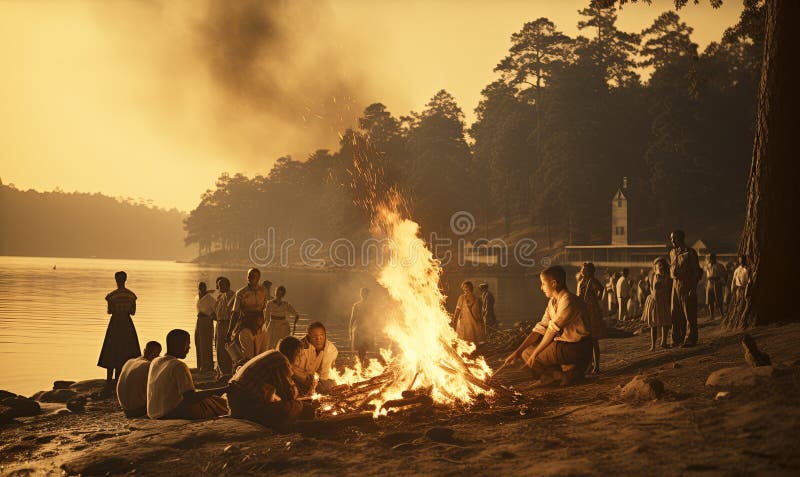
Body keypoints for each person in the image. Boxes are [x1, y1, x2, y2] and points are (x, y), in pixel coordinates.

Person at [503, 266, 592, 386]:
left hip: (576, 347)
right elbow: (540, 328)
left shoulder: (568, 300)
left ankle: (557, 376)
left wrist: (535, 354)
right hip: (564, 346)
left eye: (543, 283)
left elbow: (551, 331)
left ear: (554, 283)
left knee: (532, 355)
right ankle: (564, 374)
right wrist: (517, 352)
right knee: (526, 352)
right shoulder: (552, 302)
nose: (541, 287)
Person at [227, 336, 314, 431]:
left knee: (291, 404)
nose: (299, 359)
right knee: (298, 407)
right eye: (298, 354)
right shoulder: (281, 361)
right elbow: (289, 395)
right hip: (245, 406)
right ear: (290, 352)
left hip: (236, 402)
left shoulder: (272, 354)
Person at [146, 329, 228, 420]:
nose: (189, 348)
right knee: (212, 402)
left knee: (210, 398)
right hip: (170, 414)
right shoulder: (179, 365)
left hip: (153, 413)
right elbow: (190, 398)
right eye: (187, 344)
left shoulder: (155, 361)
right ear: (180, 345)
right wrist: (223, 389)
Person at [98, 271, 141, 391]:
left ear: (116, 280)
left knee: (111, 349)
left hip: (115, 323)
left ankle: (109, 381)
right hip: (127, 324)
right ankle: (120, 379)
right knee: (126, 350)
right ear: (125, 280)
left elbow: (110, 311)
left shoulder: (111, 296)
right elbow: (133, 312)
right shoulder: (132, 296)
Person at [669, 230, 702, 347]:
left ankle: (690, 338)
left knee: (689, 313)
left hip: (686, 284)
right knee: (675, 313)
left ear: (681, 238)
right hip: (675, 285)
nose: (672, 240)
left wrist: (693, 288)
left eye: (674, 238)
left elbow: (696, 272)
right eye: (671, 238)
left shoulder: (690, 253)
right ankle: (677, 338)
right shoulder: (672, 253)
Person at [576, 263, 607, 374]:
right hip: (583, 310)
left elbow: (601, 289)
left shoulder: (592, 280)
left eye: (585, 270)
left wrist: (597, 298)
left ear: (590, 271)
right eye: (582, 269)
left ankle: (596, 365)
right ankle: (589, 365)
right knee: (586, 340)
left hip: (591, 311)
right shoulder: (580, 281)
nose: (583, 271)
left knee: (593, 339)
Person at [117, 341, 161, 418]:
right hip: (138, 410)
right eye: (158, 355)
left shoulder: (129, 361)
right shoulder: (149, 366)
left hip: (125, 409)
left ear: (144, 351)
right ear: (156, 355)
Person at [292, 322, 339, 395]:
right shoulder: (299, 348)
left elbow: (323, 376)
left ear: (325, 335)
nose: (318, 339)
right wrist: (307, 380)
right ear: (308, 337)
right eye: (314, 337)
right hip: (298, 379)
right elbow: (294, 371)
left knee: (331, 385)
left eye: (321, 336)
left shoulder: (331, 350)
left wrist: (314, 384)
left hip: (315, 381)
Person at [227, 268, 267, 344]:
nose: (249, 278)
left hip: (260, 325)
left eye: (253, 276)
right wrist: (229, 331)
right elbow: (235, 313)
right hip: (246, 324)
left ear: (258, 278)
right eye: (249, 276)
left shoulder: (263, 291)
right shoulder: (241, 293)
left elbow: (265, 309)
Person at [642, 258, 672, 350]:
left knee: (665, 322)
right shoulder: (653, 276)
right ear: (655, 267)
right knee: (654, 324)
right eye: (659, 265)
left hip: (664, 301)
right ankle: (653, 345)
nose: (661, 267)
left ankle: (664, 342)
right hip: (655, 302)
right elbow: (651, 290)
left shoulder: (667, 276)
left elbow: (668, 289)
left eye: (662, 265)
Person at [349, 287, 376, 365]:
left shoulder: (370, 306)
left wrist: (373, 330)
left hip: (366, 329)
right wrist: (350, 332)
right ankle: (361, 364)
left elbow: (373, 318)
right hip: (360, 329)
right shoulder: (357, 305)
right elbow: (352, 319)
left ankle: (362, 364)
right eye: (364, 294)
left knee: (364, 348)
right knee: (361, 348)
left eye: (367, 294)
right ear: (362, 295)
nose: (366, 295)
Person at [214, 277, 235, 375]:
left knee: (226, 349)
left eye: (221, 285)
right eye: (219, 285)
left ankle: (227, 371)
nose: (219, 287)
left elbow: (234, 312)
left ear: (227, 285)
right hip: (219, 324)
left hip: (227, 324)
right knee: (219, 348)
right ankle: (222, 371)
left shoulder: (232, 296)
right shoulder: (220, 297)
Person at [195, 281, 216, 372]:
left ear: (206, 288)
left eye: (203, 287)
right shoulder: (197, 297)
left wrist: (211, 317)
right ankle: (200, 365)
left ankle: (208, 365)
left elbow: (216, 311)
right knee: (198, 341)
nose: (202, 289)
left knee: (206, 342)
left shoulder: (210, 298)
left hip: (207, 320)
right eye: (200, 287)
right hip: (199, 320)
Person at [704, 253, 727, 319]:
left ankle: (722, 314)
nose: (709, 260)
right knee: (710, 300)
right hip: (709, 284)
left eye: (711, 258)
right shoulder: (707, 266)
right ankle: (712, 316)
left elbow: (725, 274)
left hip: (717, 283)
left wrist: (721, 281)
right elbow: (706, 275)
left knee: (719, 299)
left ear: (714, 258)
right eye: (709, 258)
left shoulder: (719, 265)